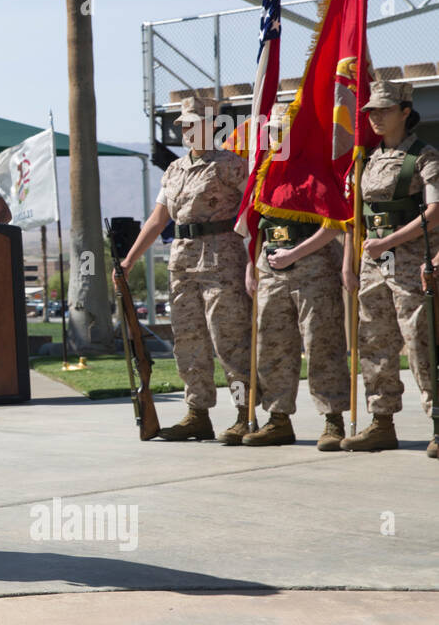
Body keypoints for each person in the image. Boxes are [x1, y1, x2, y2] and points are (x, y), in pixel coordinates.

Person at [115, 95, 252, 443]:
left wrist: (255, 255)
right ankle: (197, 413)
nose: (187, 131)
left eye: (193, 124)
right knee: (189, 341)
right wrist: (129, 260)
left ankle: (243, 413)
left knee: (229, 341)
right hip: (182, 265)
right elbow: (158, 218)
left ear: (212, 125)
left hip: (222, 261)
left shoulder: (230, 165)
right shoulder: (175, 170)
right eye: (183, 126)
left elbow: (254, 206)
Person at [242, 104, 350, 450]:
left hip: (312, 268)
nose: (276, 138)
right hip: (270, 270)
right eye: (271, 132)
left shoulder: (314, 171)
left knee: (322, 344)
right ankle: (277, 419)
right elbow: (256, 226)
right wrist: (251, 265)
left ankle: (333, 420)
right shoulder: (263, 173)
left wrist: (295, 254)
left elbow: (333, 224)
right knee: (273, 344)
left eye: (282, 131)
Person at [341, 79, 439, 454]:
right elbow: (356, 218)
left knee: (420, 343)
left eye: (383, 110)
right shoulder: (365, 159)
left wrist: (390, 242)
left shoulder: (424, 157)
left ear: (404, 112)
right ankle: (381, 421)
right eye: (371, 111)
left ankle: (437, 421)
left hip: (410, 262)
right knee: (374, 342)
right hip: (372, 265)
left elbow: (435, 212)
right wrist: (349, 262)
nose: (375, 117)